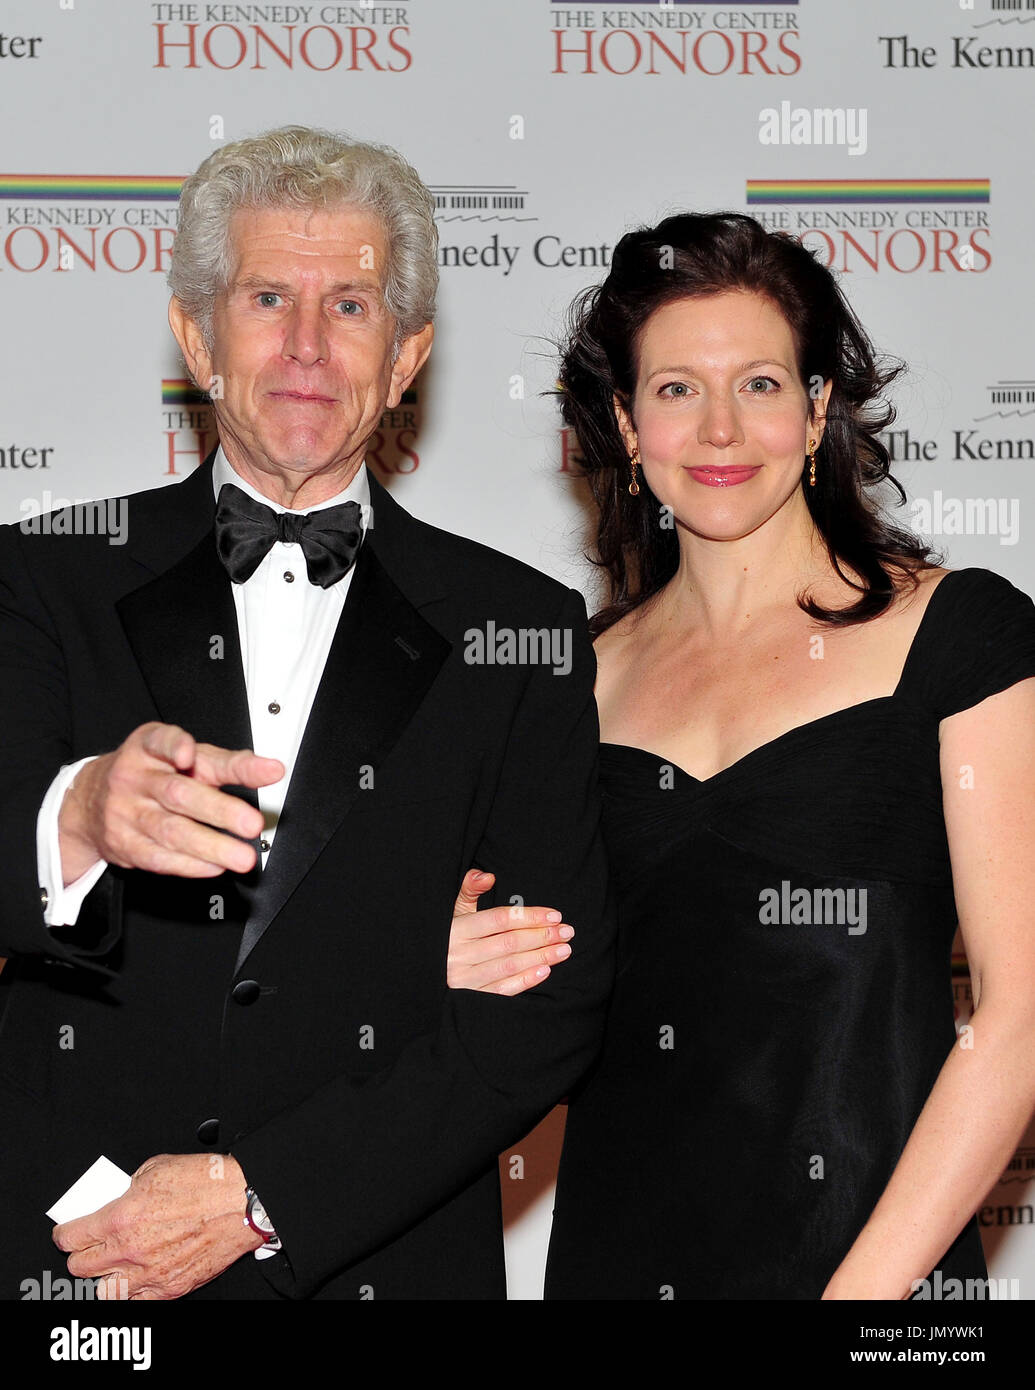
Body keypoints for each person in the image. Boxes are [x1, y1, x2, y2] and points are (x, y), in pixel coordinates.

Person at [0, 125, 614, 1302]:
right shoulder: (42, 577)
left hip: (378, 1257)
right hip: (82, 1267)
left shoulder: (522, 626)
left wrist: (257, 1194)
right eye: (267, 296)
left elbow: (553, 1000)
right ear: (196, 335)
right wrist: (77, 815)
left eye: (350, 306)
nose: (303, 346)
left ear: (407, 357)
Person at [449, 213, 1035, 1299]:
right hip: (619, 1261)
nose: (721, 429)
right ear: (624, 424)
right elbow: (531, 990)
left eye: (761, 384)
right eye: (675, 390)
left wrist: (858, 1304)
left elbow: (1019, 1014)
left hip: (879, 1283)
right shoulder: (573, 679)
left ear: (818, 410)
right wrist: (433, 953)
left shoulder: (960, 636)